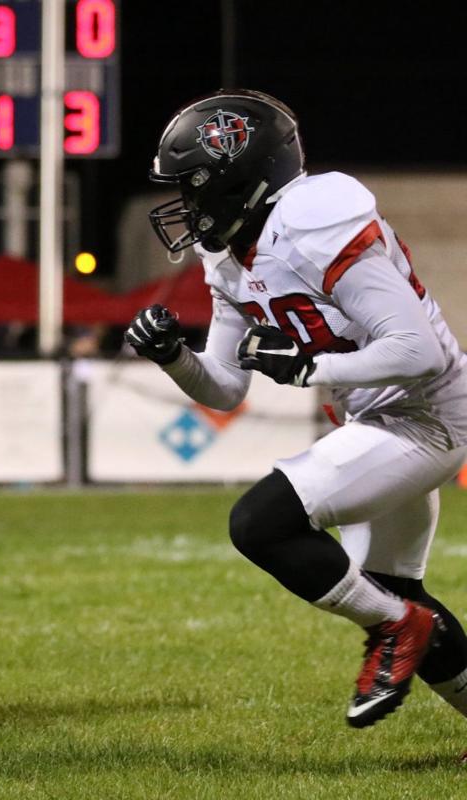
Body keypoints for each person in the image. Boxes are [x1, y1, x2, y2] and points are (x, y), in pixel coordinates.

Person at [126, 89, 467, 734]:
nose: (186, 206)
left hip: (429, 417)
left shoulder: (314, 224)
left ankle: (396, 627)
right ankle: (401, 620)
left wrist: (313, 367)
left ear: (238, 181)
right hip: (372, 421)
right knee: (396, 588)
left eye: (195, 187)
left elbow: (418, 351)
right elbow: (227, 387)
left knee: (261, 524)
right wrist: (174, 356)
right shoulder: (228, 252)